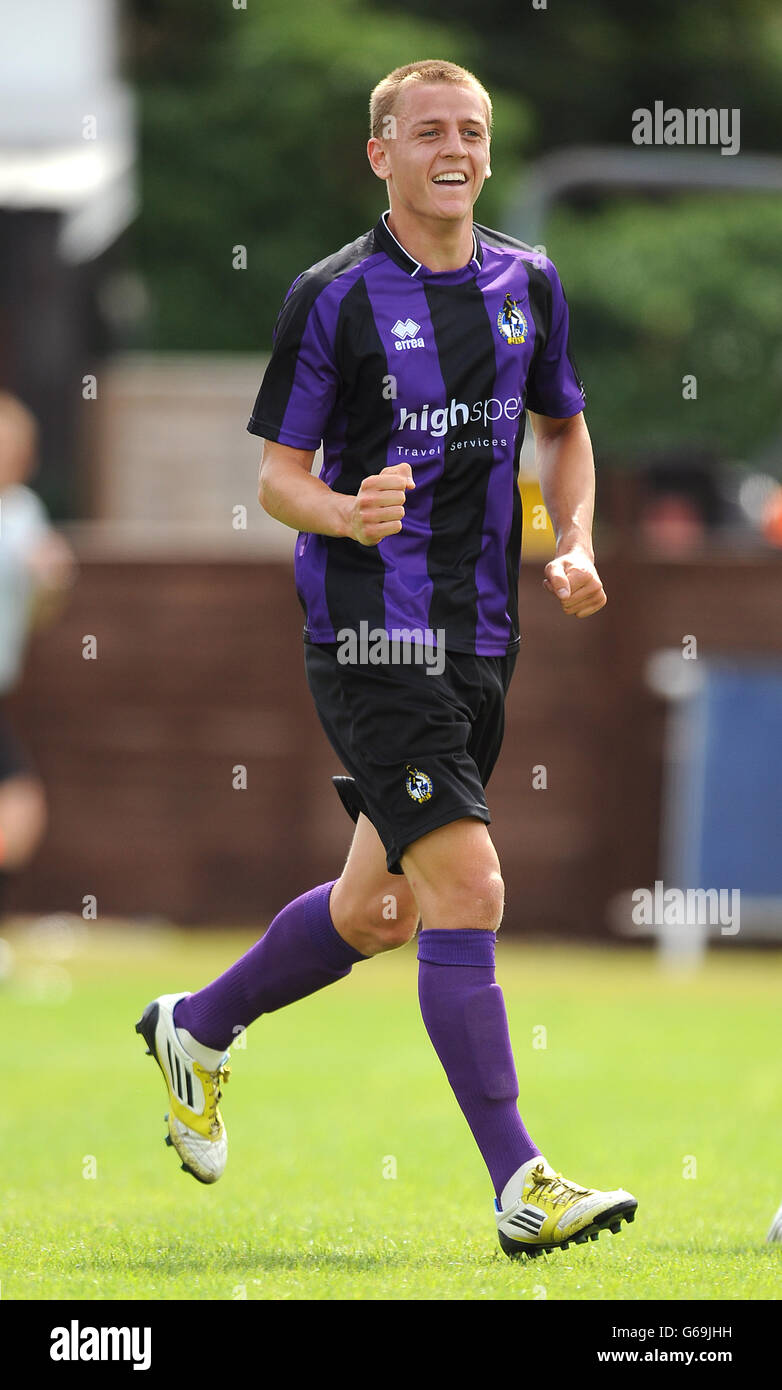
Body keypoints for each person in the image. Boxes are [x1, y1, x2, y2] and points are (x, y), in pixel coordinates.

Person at [137, 59, 637, 1259]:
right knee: (471, 890)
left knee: (379, 912)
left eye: (469, 129)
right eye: (427, 132)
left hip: (482, 641)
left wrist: (572, 540)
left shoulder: (531, 282)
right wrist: (343, 513)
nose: (453, 148)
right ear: (383, 155)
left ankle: (196, 1027)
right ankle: (521, 1180)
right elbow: (276, 478)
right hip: (372, 637)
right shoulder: (334, 298)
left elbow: (564, 431)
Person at [0, 392, 76, 914]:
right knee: (20, 807)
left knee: (19, 813)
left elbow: (40, 611)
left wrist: (52, 582)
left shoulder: (24, 510)